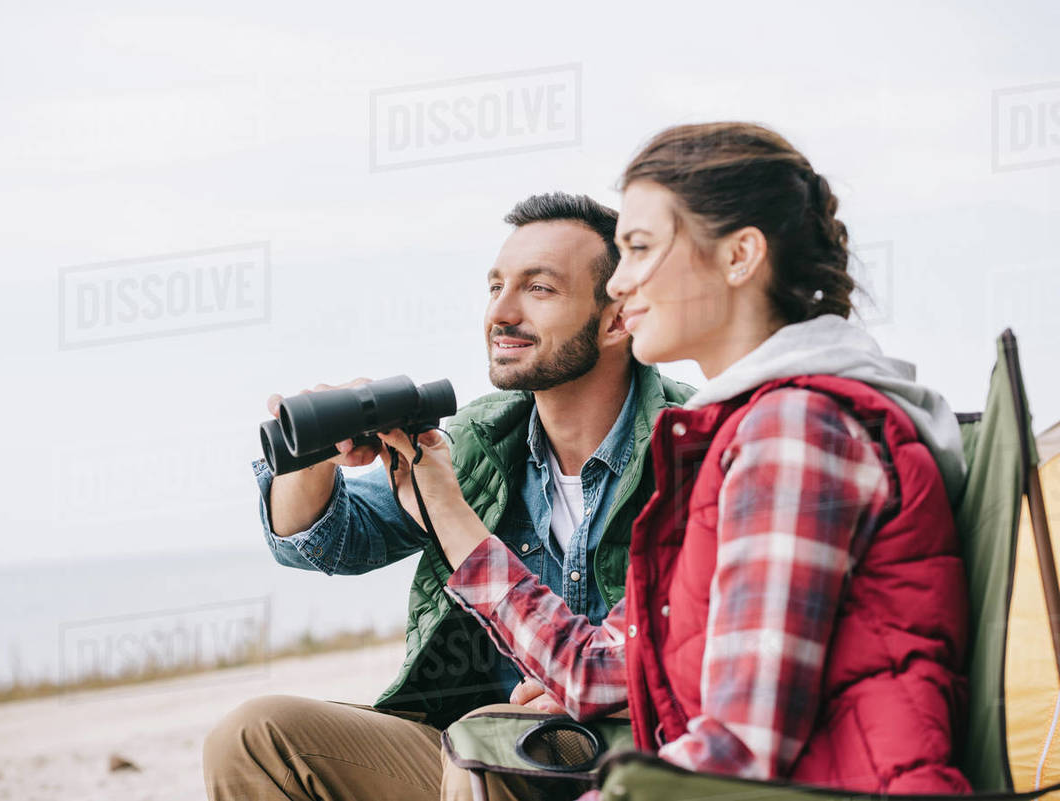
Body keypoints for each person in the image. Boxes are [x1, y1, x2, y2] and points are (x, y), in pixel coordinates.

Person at [379, 123, 972, 796]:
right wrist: (446, 508)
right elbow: (596, 670)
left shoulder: (793, 434)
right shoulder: (743, 433)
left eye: (638, 248)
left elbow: (739, 750)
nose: (620, 283)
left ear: (740, 256)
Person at [203, 192, 696, 801]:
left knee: (485, 746)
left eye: (539, 289)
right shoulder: (481, 442)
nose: (502, 313)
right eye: (496, 287)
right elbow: (325, 544)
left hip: (639, 754)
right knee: (255, 735)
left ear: (618, 318)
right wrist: (318, 454)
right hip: (480, 752)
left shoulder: (693, 445)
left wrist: (598, 695)